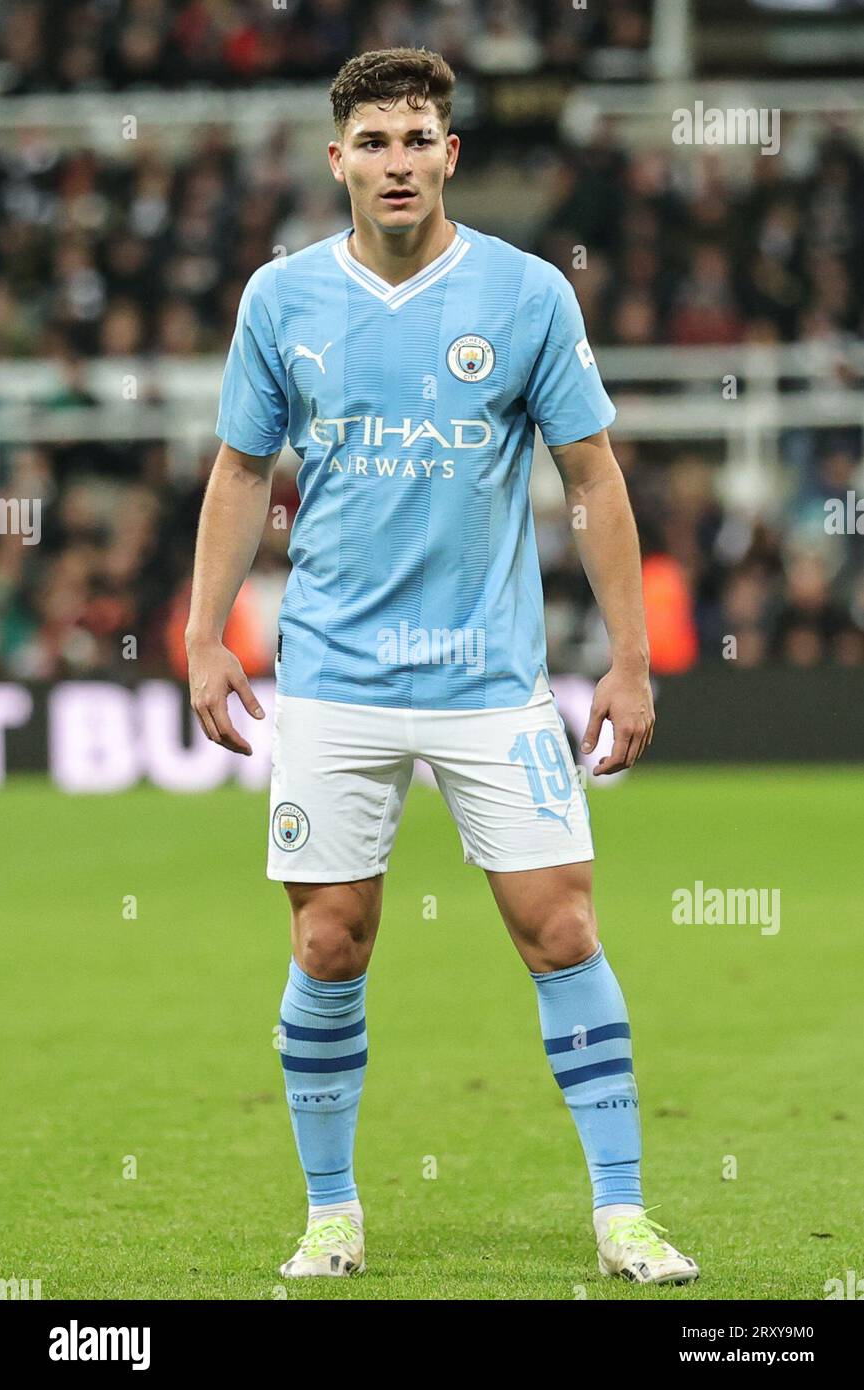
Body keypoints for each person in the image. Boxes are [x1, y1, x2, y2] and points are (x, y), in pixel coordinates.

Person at [185, 45, 698, 1286]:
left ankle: (622, 1213)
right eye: (373, 141)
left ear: (449, 153)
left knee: (563, 926)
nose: (396, 161)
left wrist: (627, 661)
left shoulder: (524, 296)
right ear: (337, 161)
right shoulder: (281, 301)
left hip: (491, 680)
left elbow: (593, 478)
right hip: (331, 680)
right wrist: (202, 634)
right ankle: (331, 1213)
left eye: (417, 138)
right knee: (328, 949)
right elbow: (243, 471)